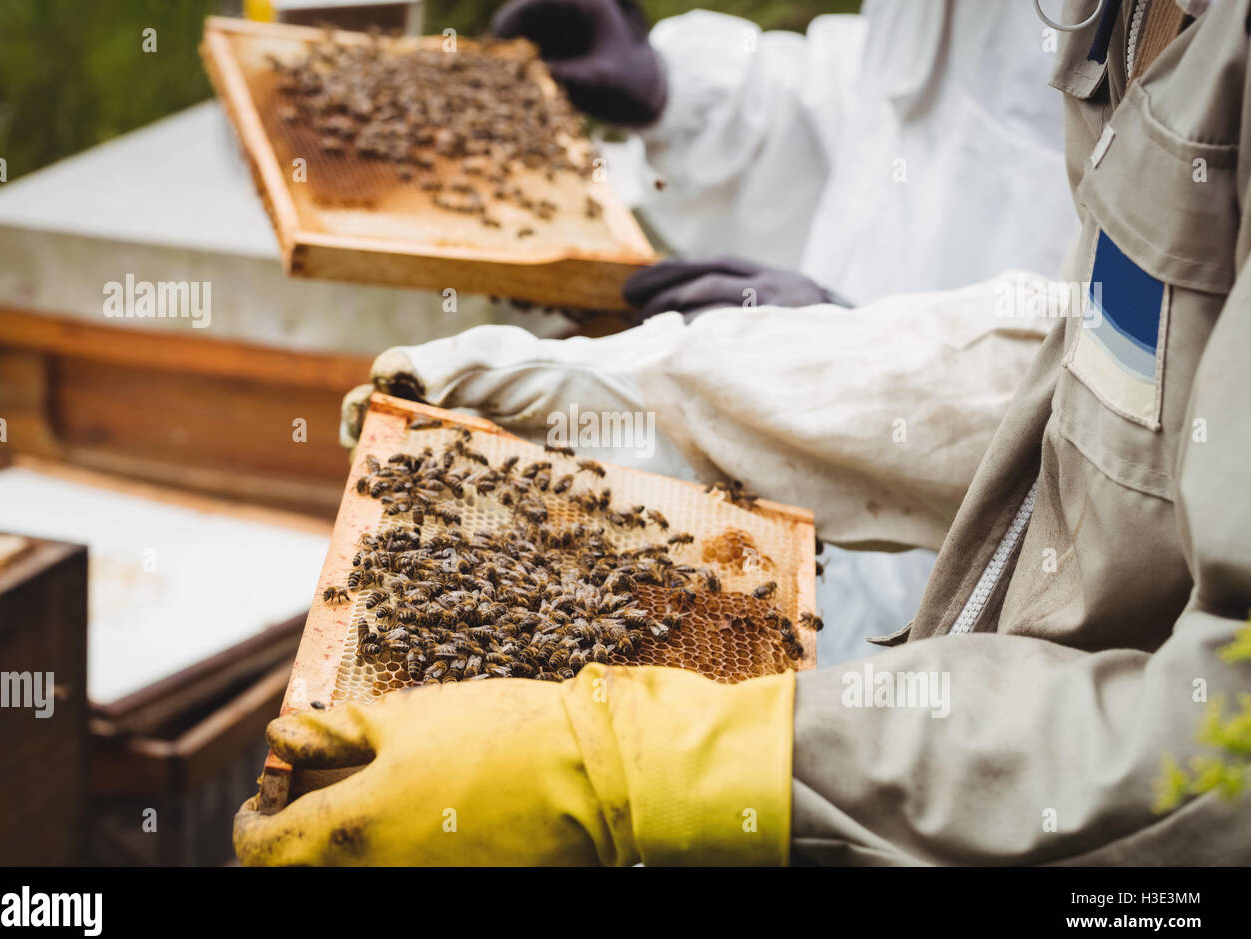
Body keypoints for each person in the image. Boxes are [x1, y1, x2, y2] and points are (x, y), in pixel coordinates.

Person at [235, 0, 1251, 864]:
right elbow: (1116, 358)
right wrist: (672, 390)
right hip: (926, 673)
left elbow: (1225, 747)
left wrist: (651, 767)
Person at [342, 0, 1082, 665]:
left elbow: (1113, 382)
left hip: (1023, 631)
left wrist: (811, 362)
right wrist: (684, 94)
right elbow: (895, 116)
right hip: (814, 572)